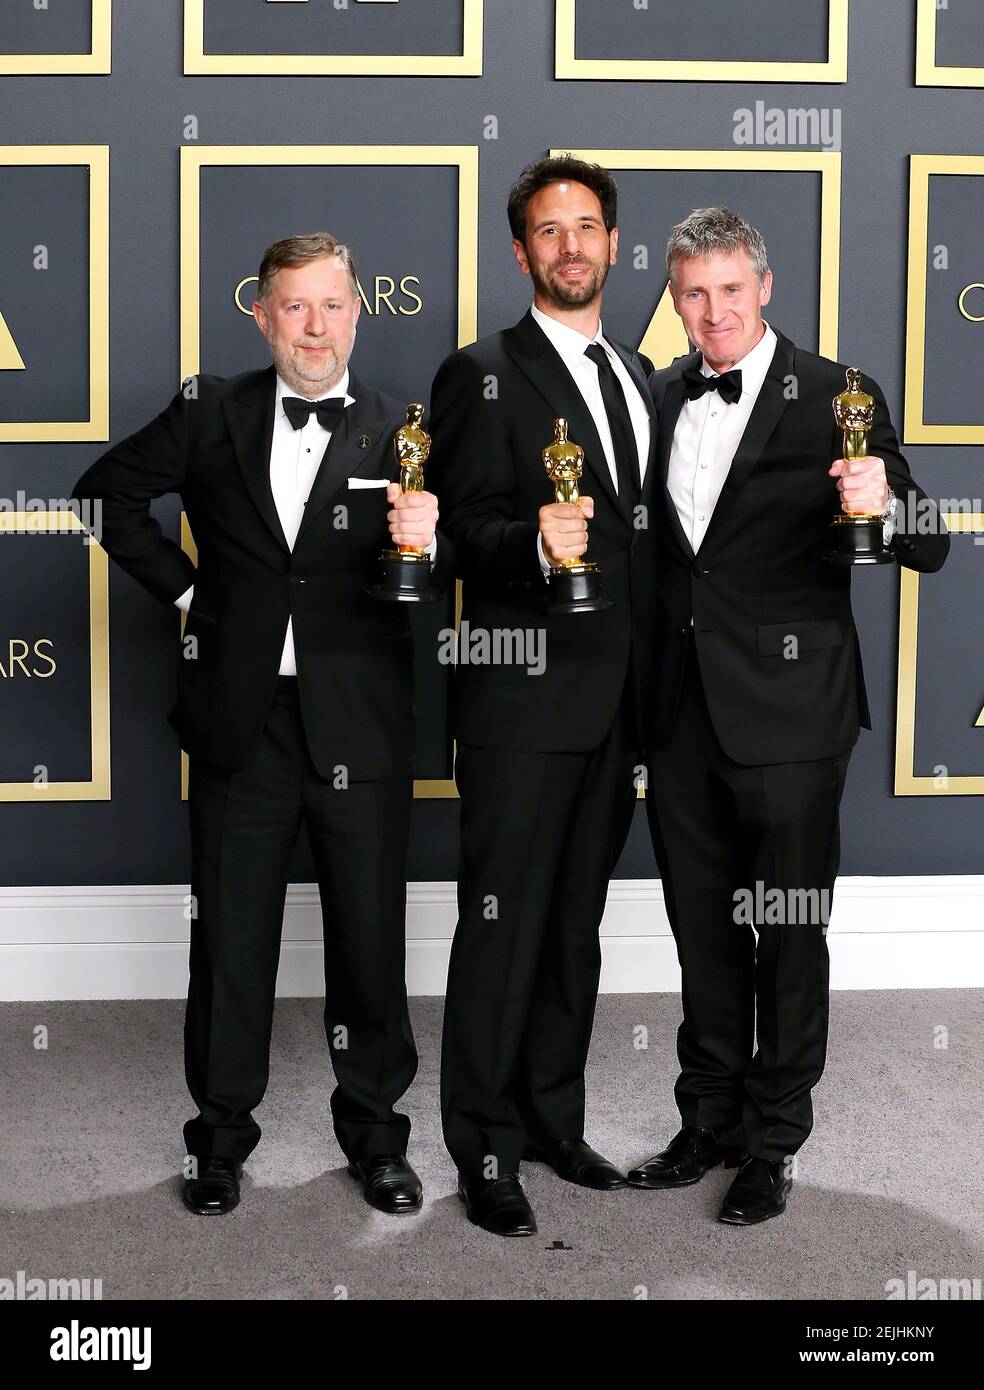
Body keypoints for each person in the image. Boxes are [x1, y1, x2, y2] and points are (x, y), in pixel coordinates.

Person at [73, 233, 448, 1217]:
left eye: (331, 304)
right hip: (244, 722)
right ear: (263, 314)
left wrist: (432, 542)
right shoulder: (212, 410)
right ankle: (219, 1143)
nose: (314, 326)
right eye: (294, 306)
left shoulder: (406, 426)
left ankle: (377, 1141)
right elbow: (102, 493)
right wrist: (191, 592)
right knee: (232, 943)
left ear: (359, 310)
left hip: (360, 727)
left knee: (370, 943)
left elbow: (458, 559)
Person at [630, 207, 949, 1224]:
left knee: (788, 931)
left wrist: (883, 505)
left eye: (730, 290)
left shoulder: (839, 394)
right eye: (693, 294)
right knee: (704, 930)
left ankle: (774, 1141)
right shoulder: (657, 393)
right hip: (680, 715)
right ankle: (708, 1117)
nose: (713, 312)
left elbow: (932, 540)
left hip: (793, 716)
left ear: (765, 287)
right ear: (673, 298)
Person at [427, 155, 658, 1237]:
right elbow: (457, 529)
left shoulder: (640, 380)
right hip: (521, 703)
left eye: (587, 227)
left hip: (616, 707)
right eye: (548, 231)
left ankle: (552, 1122)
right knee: (503, 926)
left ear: (615, 244)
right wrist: (530, 540)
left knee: (574, 927)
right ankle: (482, 1146)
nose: (571, 246)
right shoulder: (479, 372)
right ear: (520, 253)